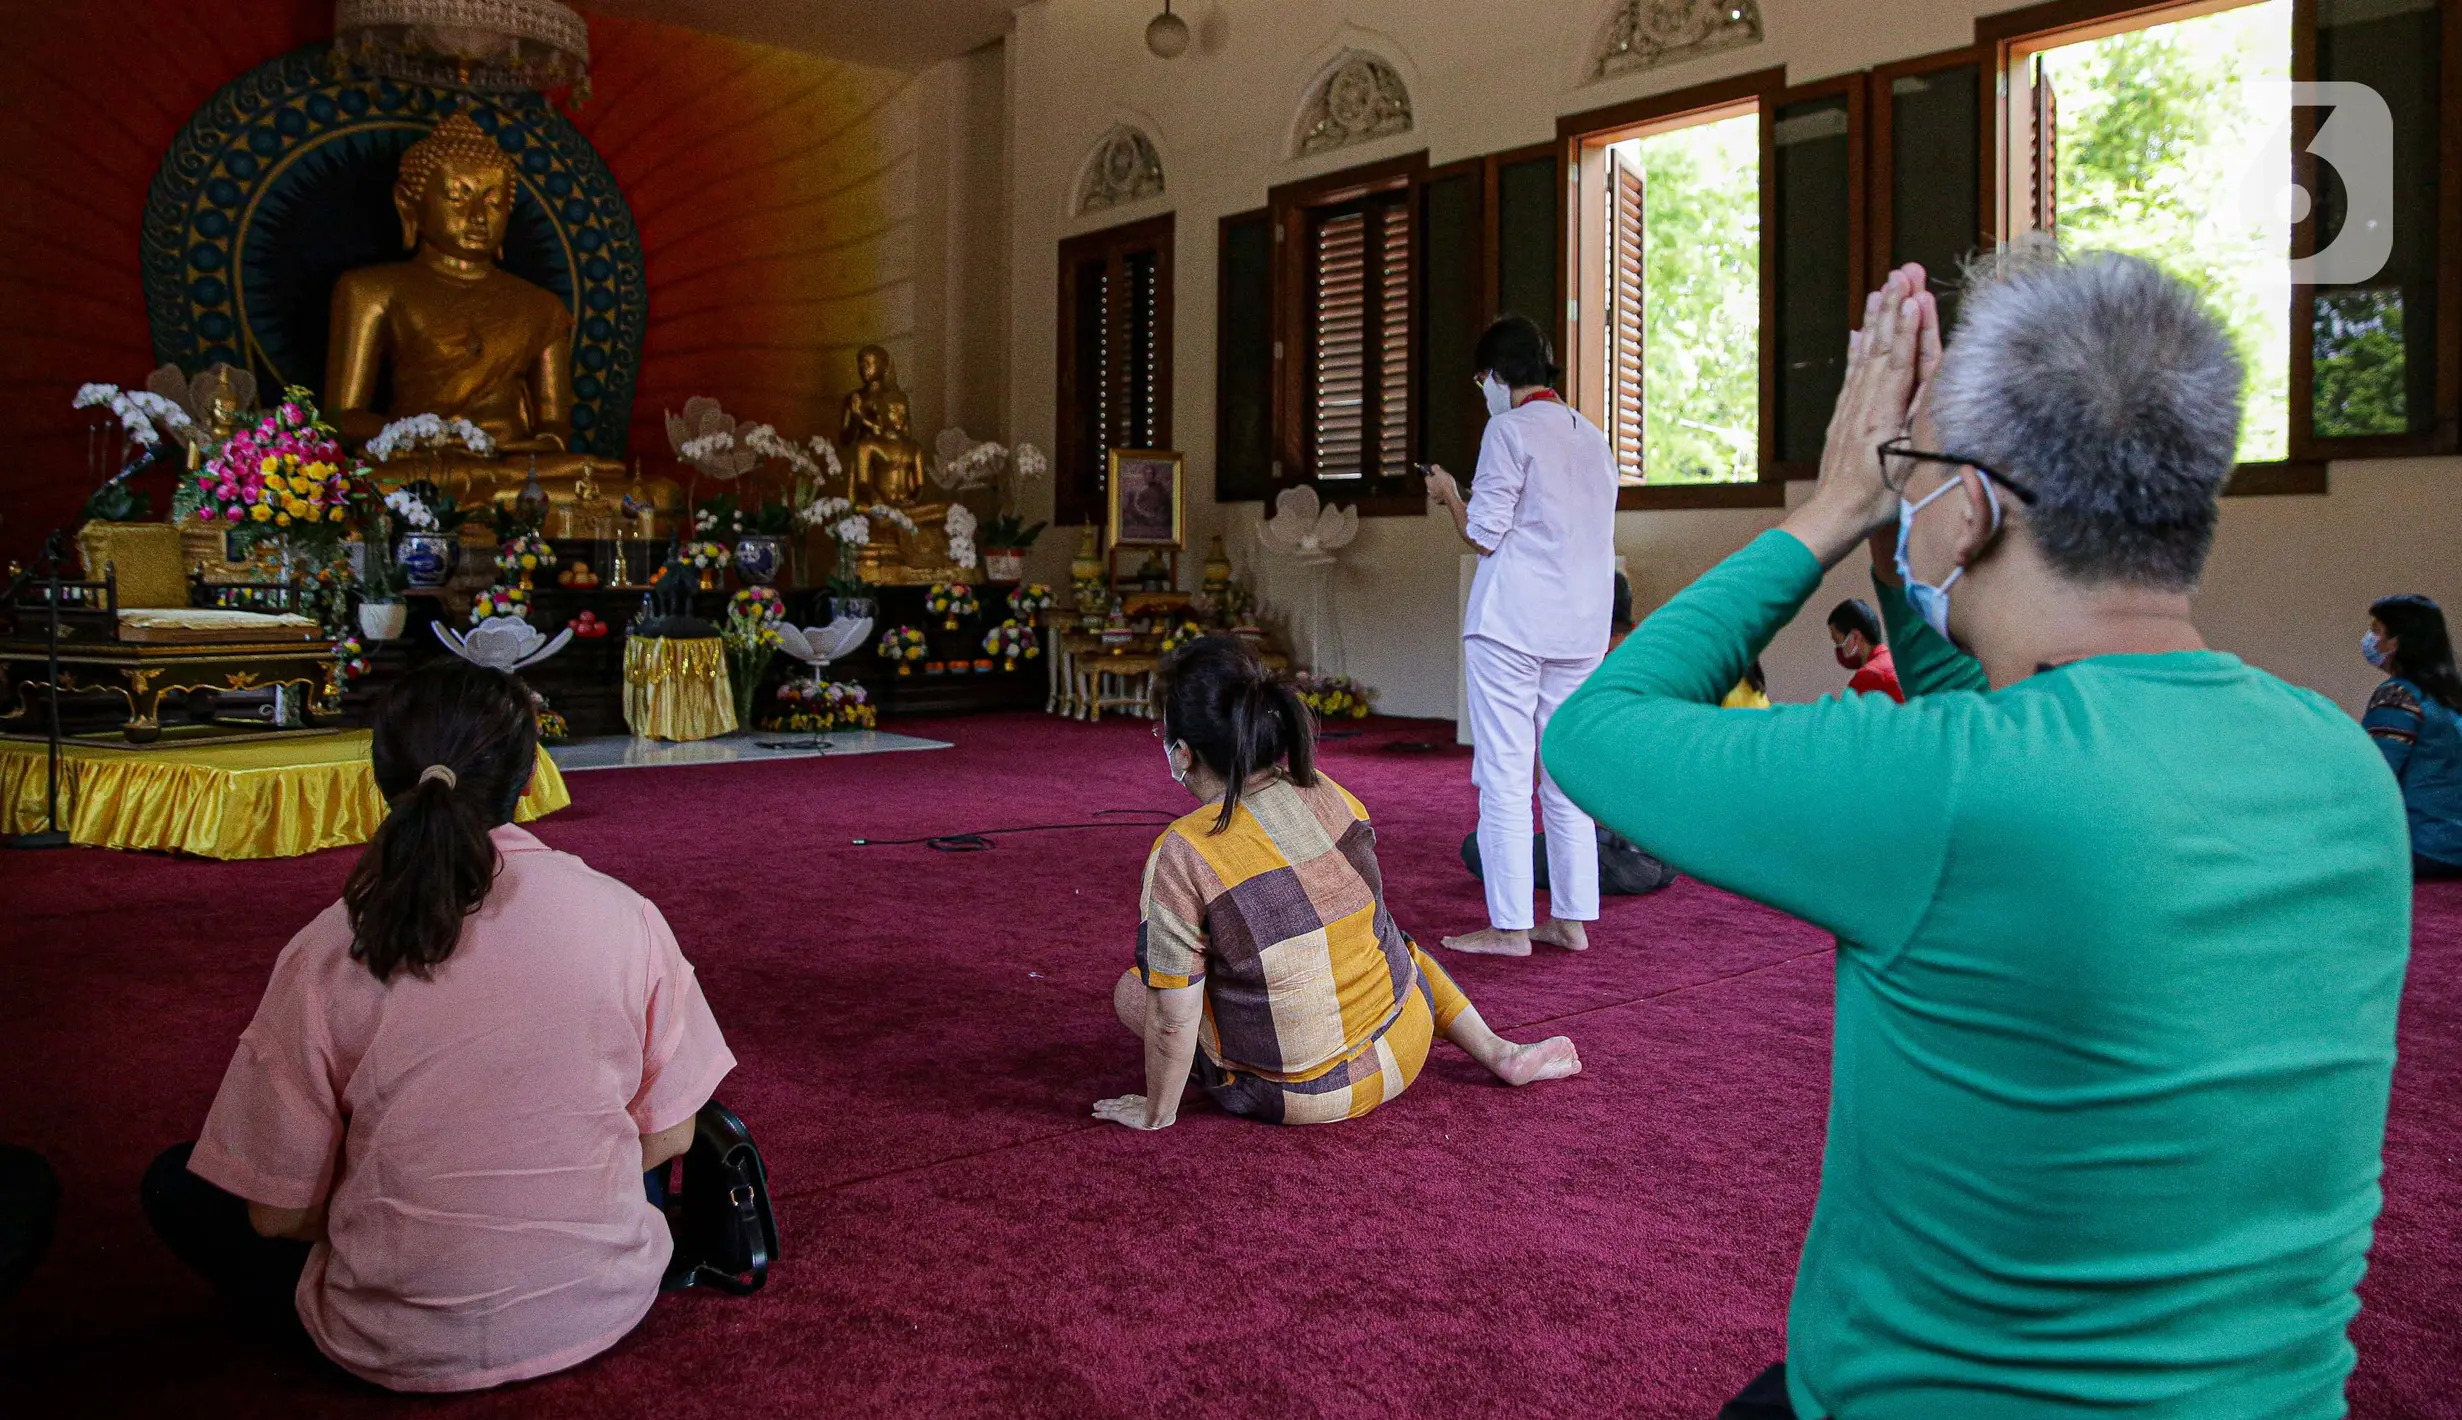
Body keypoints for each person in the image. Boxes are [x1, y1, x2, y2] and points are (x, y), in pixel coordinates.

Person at [1544, 250, 2411, 1419]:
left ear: (1979, 503)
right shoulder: (2341, 764)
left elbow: (1595, 732)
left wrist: (1836, 506)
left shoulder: (1954, 788)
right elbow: (2006, 708)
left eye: (1922, 473)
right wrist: (1912, 523)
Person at [143, 660, 736, 1393]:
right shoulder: (625, 915)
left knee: (176, 1182)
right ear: (526, 781)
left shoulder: (329, 948)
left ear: (380, 778)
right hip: (603, 1301)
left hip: (393, 1336)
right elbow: (670, 1136)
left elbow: (275, 1215)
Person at [1096, 636, 1580, 1129]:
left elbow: (1173, 1018)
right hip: (1407, 1043)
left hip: (1301, 1097)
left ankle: (1188, 1091)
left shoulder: (1183, 851)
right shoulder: (1328, 792)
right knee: (1391, 938)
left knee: (1137, 990)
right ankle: (1500, 1052)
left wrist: (1156, 1113)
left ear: (1181, 753)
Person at [1424, 314, 1619, 957]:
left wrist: (1450, 493)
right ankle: (1571, 919)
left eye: (1483, 378)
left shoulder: (1507, 430)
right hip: (1581, 626)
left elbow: (1483, 533)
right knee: (1566, 773)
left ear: (1500, 376)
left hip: (1511, 622)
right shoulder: (1594, 438)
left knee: (1505, 772)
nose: (1483, 389)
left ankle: (1509, 926)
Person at [2362, 593, 2462, 878]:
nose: (2370, 640)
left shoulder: (2398, 696)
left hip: (2420, 847)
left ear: (2397, 642)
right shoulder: (2450, 697)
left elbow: (2376, 776)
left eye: (2376, 631)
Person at [1825, 598, 1903, 701]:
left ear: (1855, 637)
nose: (1838, 649)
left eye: (1837, 641)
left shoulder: (1868, 677)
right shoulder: (1897, 661)